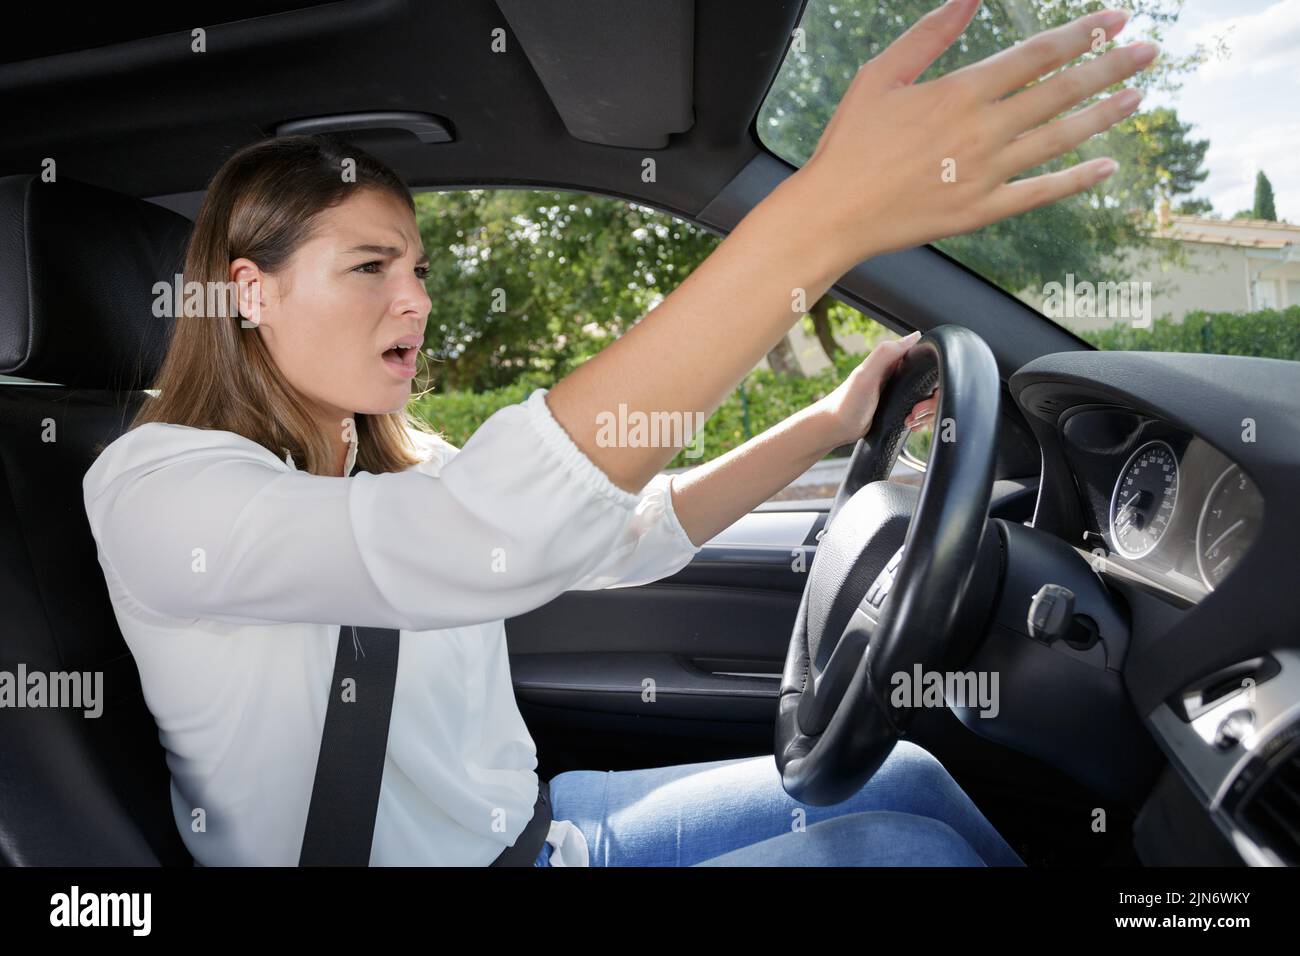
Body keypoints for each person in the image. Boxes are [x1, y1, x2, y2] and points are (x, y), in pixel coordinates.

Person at [82, 0, 1154, 866]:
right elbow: (483, 526)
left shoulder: (386, 455)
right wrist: (824, 218)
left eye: (419, 268)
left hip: (546, 832)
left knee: (909, 781)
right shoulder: (159, 489)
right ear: (250, 295)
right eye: (369, 268)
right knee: (895, 853)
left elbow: (628, 529)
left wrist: (829, 423)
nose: (413, 301)